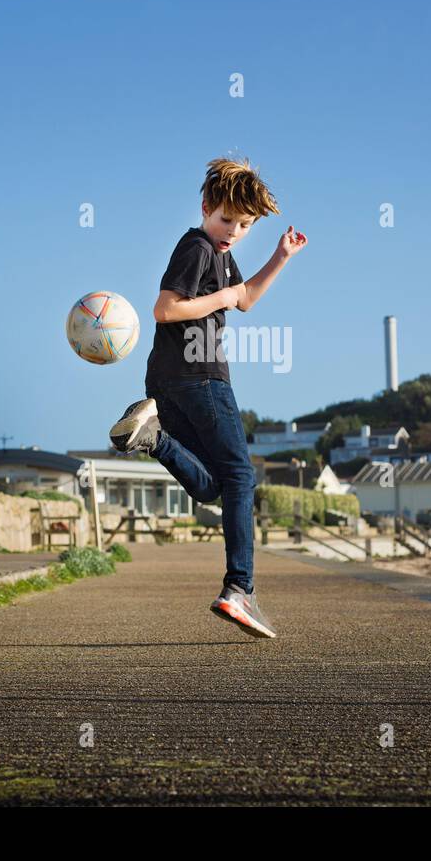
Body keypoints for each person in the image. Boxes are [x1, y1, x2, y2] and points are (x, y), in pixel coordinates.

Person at [109, 157, 307, 638]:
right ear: (205, 207)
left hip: (167, 383)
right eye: (226, 220)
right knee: (241, 476)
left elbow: (245, 298)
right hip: (201, 377)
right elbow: (166, 309)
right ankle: (239, 588)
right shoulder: (198, 246)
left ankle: (154, 439)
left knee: (212, 486)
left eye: (244, 225)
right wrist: (219, 298)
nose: (233, 232)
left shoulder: (220, 253)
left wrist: (280, 256)